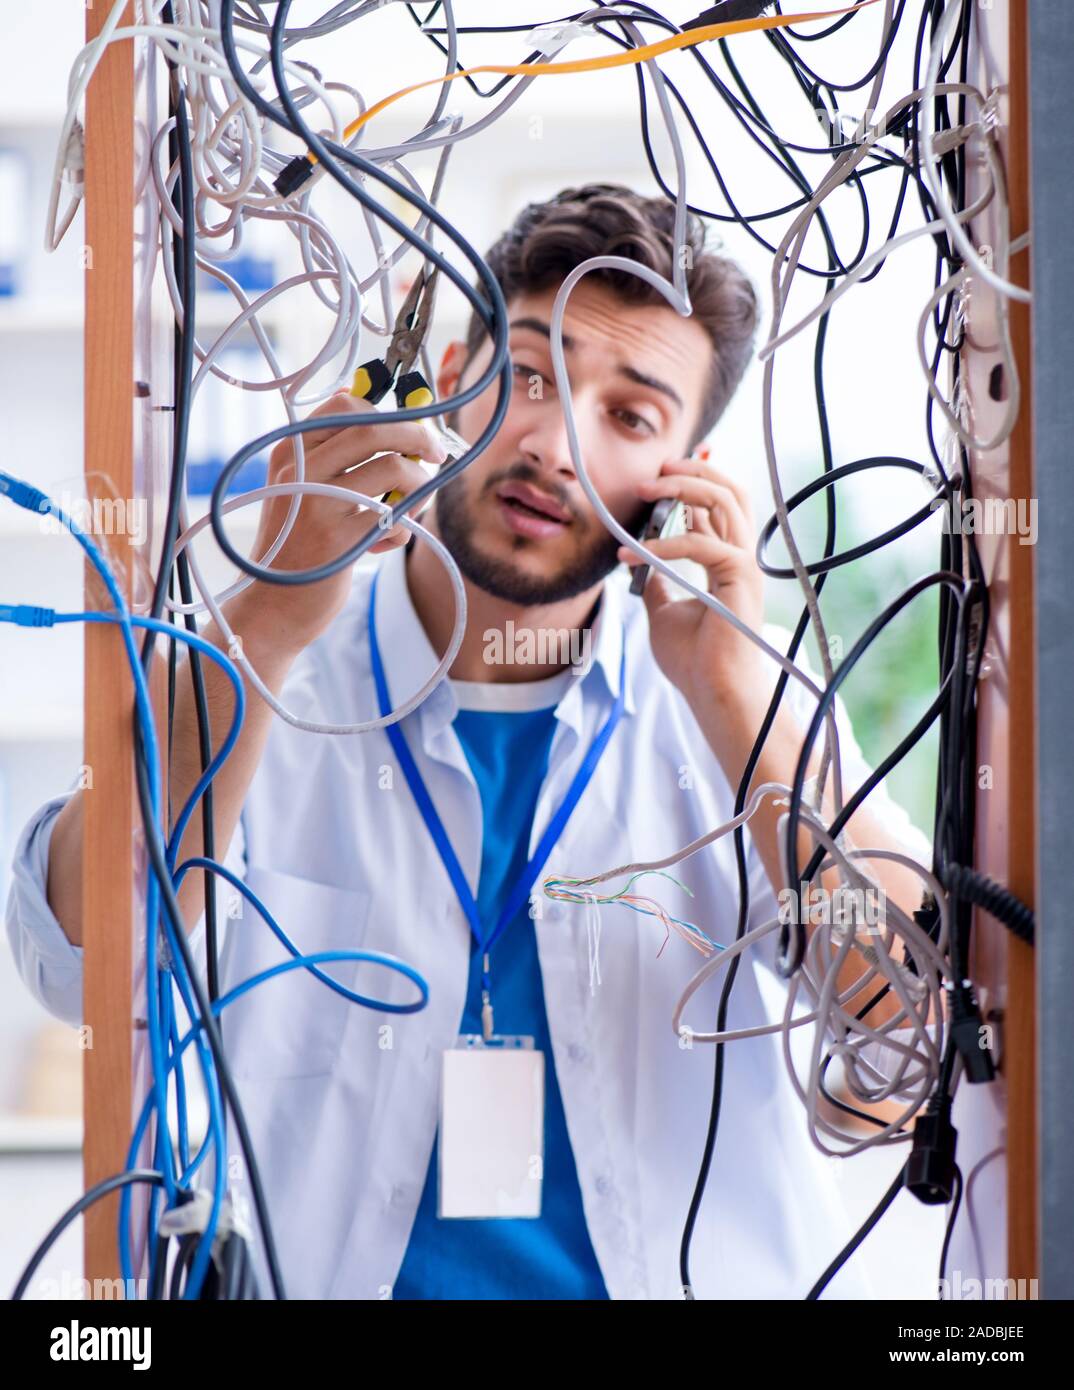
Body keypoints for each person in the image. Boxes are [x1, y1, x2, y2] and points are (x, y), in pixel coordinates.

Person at [7, 183, 931, 1300]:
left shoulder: (744, 706)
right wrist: (265, 617)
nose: (551, 442)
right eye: (530, 375)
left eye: (629, 416)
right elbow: (75, 965)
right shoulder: (268, 666)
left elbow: (907, 1038)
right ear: (450, 384)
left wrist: (737, 702)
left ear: (682, 482)